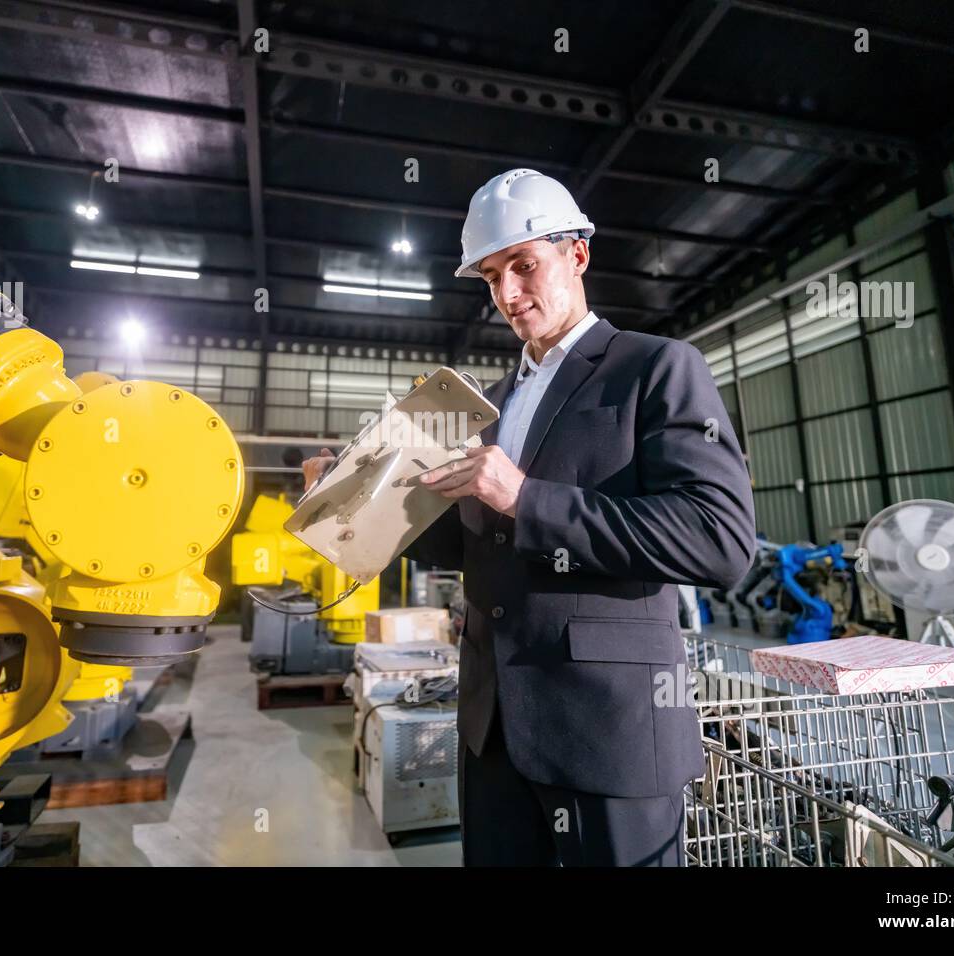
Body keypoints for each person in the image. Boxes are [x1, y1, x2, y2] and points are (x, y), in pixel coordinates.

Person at [304, 169, 755, 866]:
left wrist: (527, 498)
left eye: (524, 265)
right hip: (493, 731)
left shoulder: (655, 369)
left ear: (577, 255)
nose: (508, 295)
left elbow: (719, 541)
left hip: (609, 732)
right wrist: (356, 506)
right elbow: (468, 542)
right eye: (490, 277)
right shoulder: (484, 404)